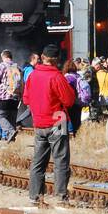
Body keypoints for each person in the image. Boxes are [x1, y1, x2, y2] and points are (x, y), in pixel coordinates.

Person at [25, 44, 76, 204]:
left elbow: (26, 99)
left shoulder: (33, 75)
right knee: (61, 161)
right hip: (57, 120)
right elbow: (69, 100)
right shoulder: (56, 77)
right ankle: (61, 197)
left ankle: (35, 197)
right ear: (56, 60)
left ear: (42, 57)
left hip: (39, 122)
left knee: (38, 162)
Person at [0, 50, 20, 142]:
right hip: (15, 98)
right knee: (11, 118)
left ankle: (10, 132)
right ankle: (11, 144)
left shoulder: (1, 66)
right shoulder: (17, 66)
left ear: (3, 57)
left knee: (0, 116)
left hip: (3, 97)